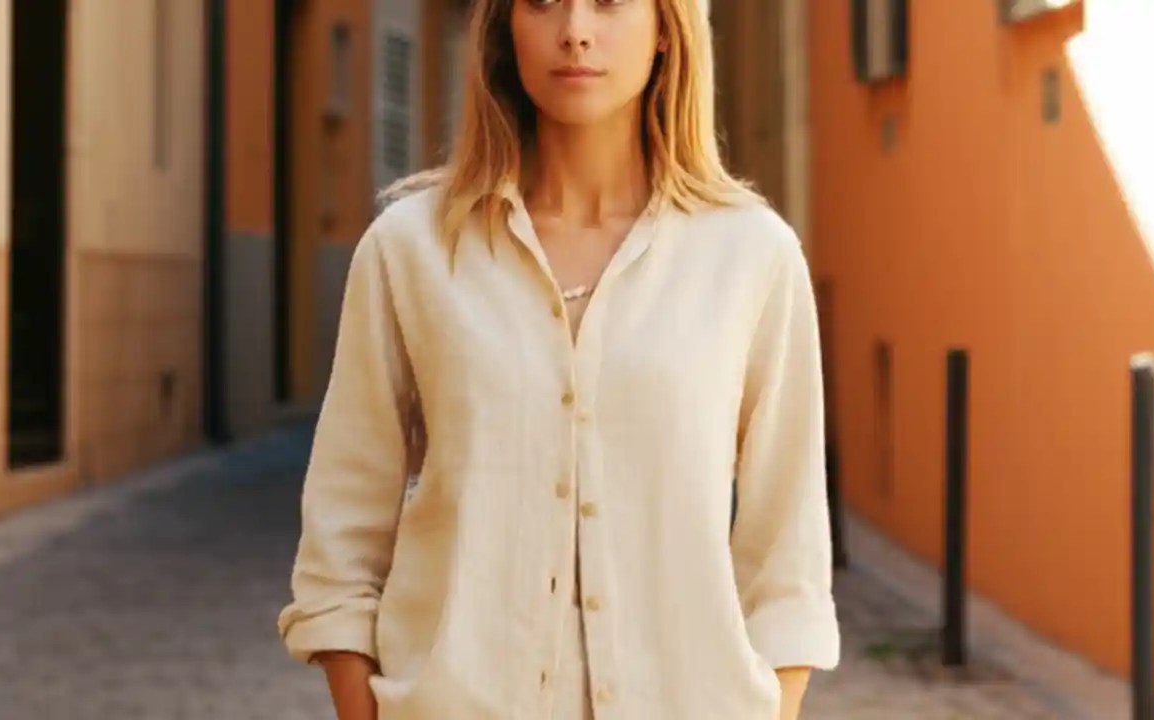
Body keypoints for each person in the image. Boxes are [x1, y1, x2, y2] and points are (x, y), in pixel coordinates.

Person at [277, 0, 839, 718]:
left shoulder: (751, 257)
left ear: (668, 27)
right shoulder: (410, 251)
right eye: (543, 0)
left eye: (609, 2)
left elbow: (788, 555)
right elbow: (342, 534)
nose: (575, 29)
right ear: (505, 27)